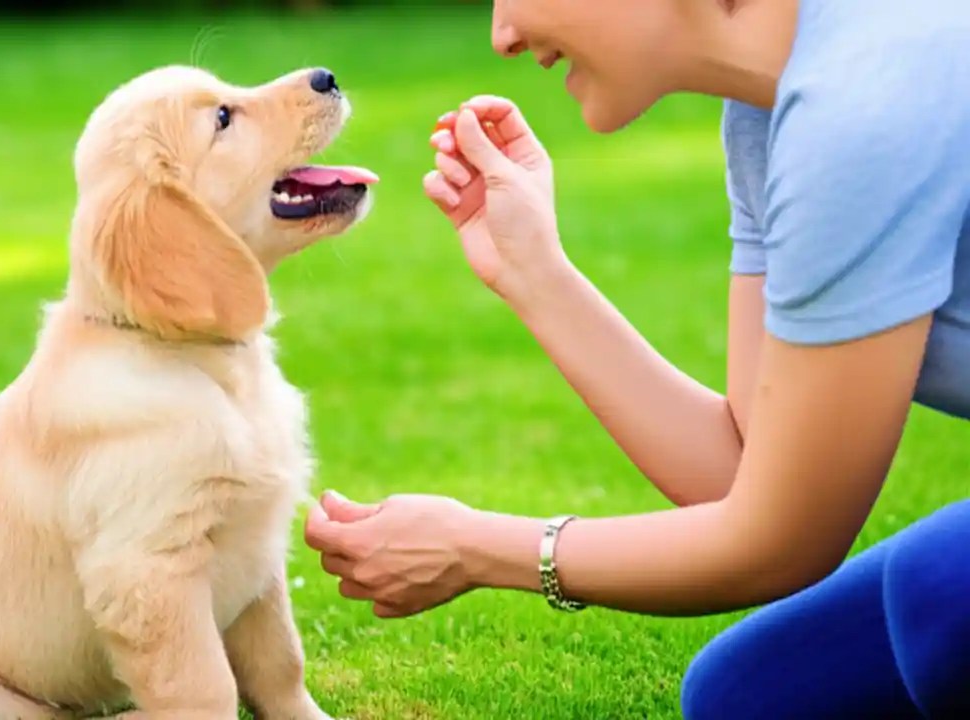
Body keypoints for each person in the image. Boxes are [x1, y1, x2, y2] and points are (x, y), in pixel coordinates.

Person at [302, 0, 970, 717]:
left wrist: (476, 546)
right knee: (745, 696)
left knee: (940, 597)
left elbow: (784, 541)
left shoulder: (861, 102)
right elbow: (742, 474)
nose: (503, 36)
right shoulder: (765, 118)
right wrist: (536, 274)